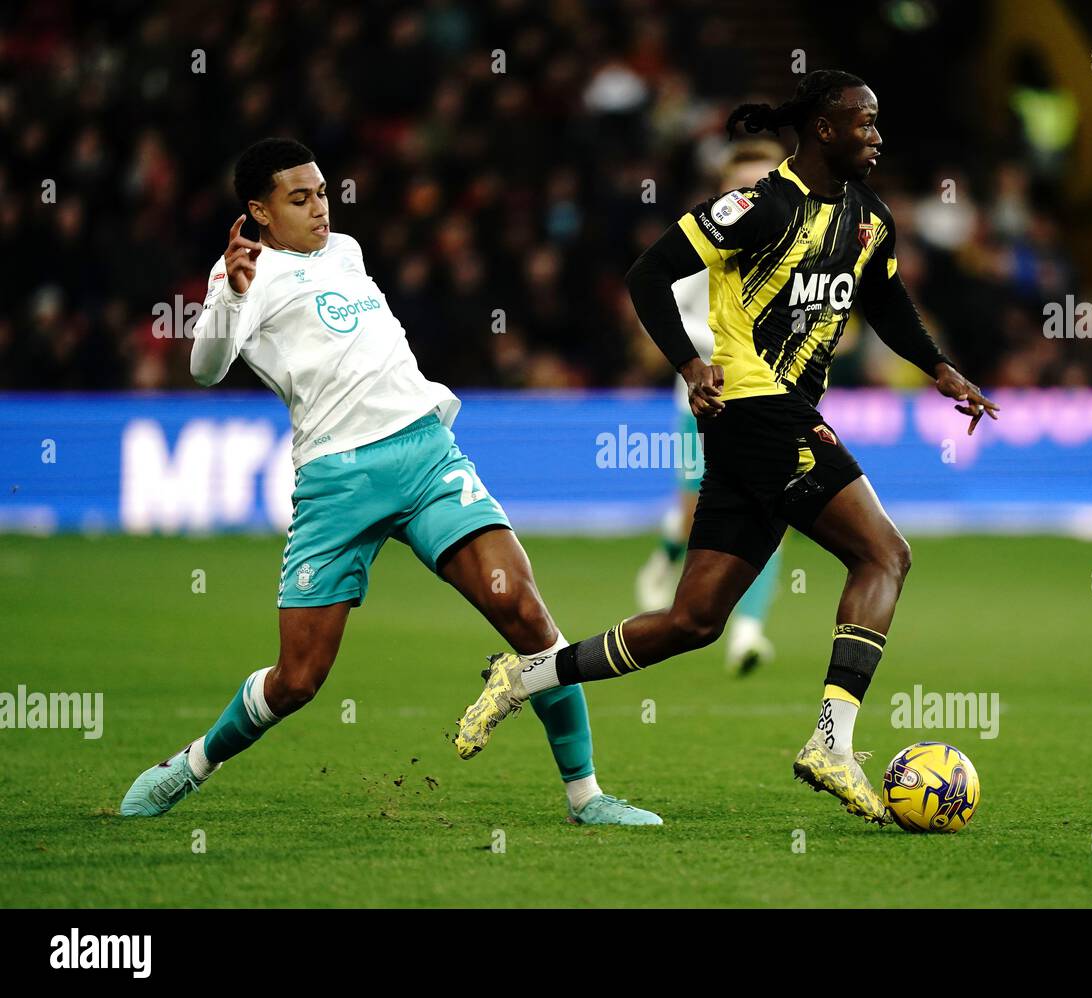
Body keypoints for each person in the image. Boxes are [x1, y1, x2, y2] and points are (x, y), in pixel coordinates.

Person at [453, 72, 997, 825]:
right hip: (754, 407)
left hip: (773, 421)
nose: (877, 135)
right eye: (863, 122)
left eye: (878, 123)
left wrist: (938, 367)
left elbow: (885, 301)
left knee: (692, 620)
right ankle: (832, 743)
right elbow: (648, 274)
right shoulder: (759, 205)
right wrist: (687, 361)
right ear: (824, 129)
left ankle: (525, 676)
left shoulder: (869, 219)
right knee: (885, 555)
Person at [119, 138, 660, 827]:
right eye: (299, 198)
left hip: (427, 456)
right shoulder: (243, 279)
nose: (319, 208)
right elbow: (203, 368)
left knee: (524, 611)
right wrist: (226, 293)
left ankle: (587, 797)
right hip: (338, 484)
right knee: (298, 681)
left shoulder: (345, 251)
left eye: (322, 192)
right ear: (257, 211)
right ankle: (191, 766)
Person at [634, 138, 786, 676]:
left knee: (769, 508)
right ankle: (665, 555)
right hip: (702, 400)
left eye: (764, 181)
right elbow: (666, 309)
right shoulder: (705, 242)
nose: (753, 192)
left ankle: (747, 633)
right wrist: (726, 342)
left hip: (769, 403)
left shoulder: (795, 241)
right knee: (695, 514)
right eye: (742, 184)